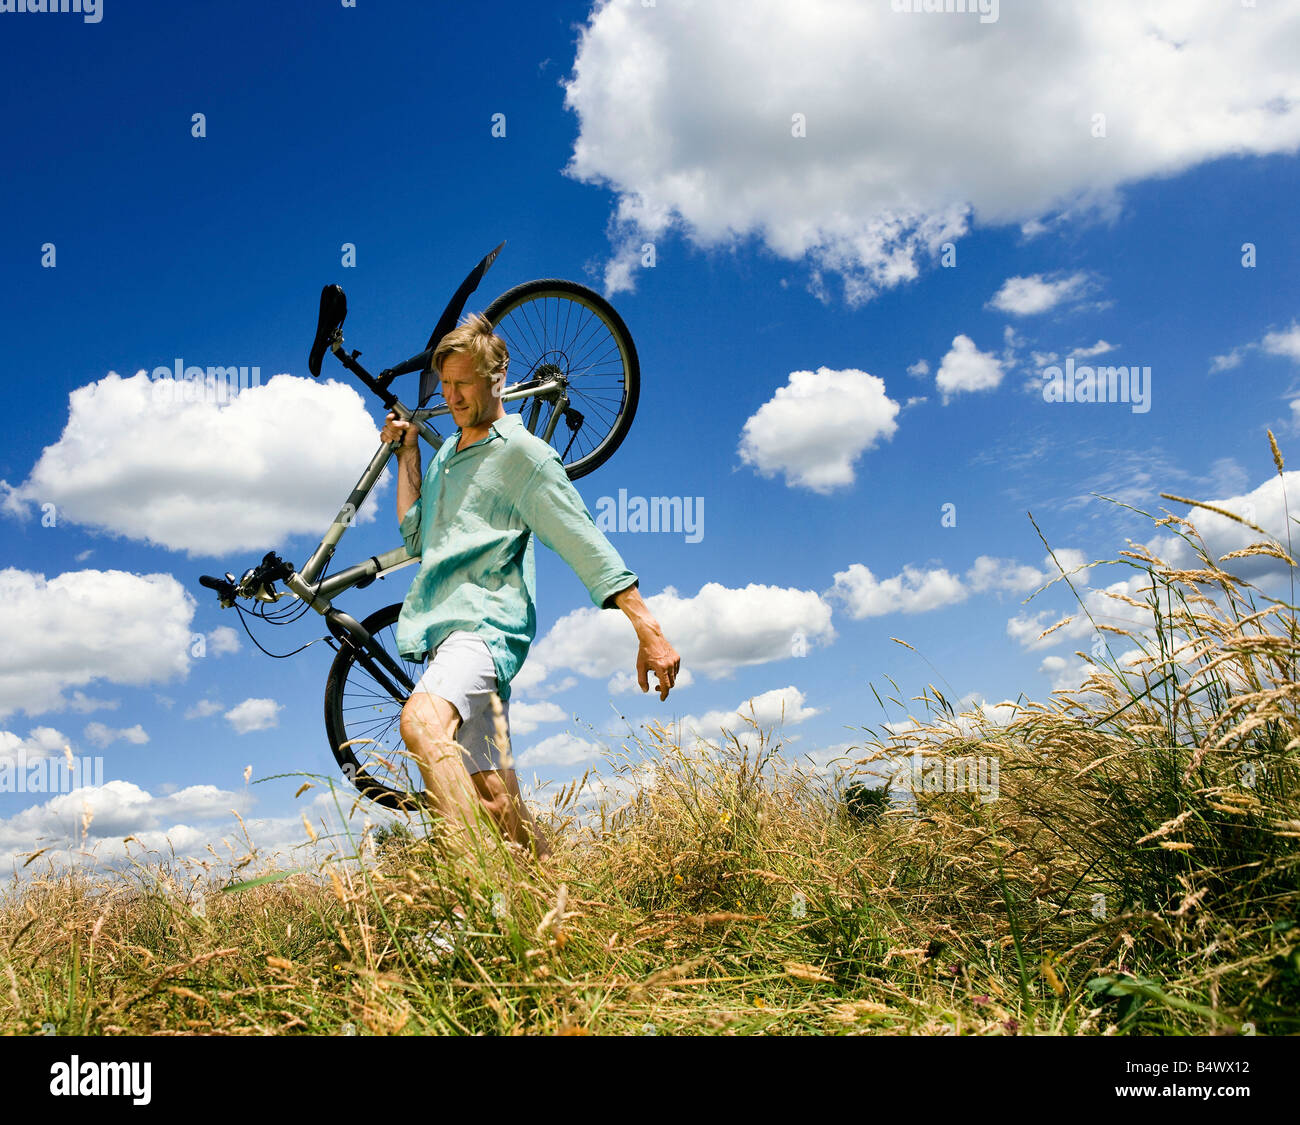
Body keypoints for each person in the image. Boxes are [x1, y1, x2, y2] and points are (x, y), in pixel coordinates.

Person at [379, 313, 680, 866]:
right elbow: (419, 535)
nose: (451, 395)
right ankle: (571, 917)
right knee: (497, 803)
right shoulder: (449, 455)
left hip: (483, 628)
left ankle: (481, 893)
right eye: (445, 384)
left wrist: (648, 627)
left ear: (498, 379)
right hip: (446, 632)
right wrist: (410, 453)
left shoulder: (524, 455)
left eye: (463, 383)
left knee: (421, 721)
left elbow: (582, 539)